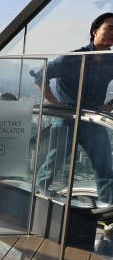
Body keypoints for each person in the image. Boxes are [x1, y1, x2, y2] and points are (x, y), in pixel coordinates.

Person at [32, 13, 113, 207]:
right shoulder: (73, 58)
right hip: (67, 117)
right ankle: (36, 201)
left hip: (93, 119)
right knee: (53, 164)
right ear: (95, 31)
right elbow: (41, 76)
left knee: (104, 167)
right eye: (109, 28)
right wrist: (54, 102)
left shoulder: (111, 61)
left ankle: (108, 212)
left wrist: (110, 105)